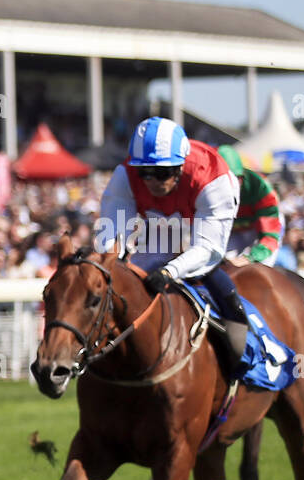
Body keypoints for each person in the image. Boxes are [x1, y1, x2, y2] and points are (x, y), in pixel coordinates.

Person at [97, 116, 246, 372]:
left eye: (163, 172)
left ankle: (240, 339)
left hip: (202, 214)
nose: (153, 181)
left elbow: (207, 250)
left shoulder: (213, 179)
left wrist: (169, 272)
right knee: (141, 266)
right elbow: (109, 239)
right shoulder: (125, 175)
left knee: (203, 269)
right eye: (145, 172)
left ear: (180, 165)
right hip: (162, 221)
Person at [218, 145, 284, 267]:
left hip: (261, 229)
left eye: (234, 179)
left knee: (259, 267)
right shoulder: (208, 188)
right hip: (234, 231)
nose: (229, 186)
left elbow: (269, 237)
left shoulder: (261, 188)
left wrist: (251, 258)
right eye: (222, 180)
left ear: (242, 176)